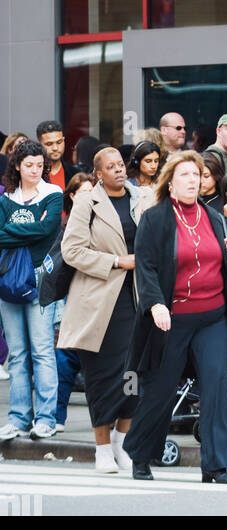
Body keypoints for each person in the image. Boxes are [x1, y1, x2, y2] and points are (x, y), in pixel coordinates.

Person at [123, 151, 227, 483]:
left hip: (213, 318)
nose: (192, 180)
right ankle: (140, 454)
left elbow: (224, 264)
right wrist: (155, 304)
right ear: (170, 182)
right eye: (184, 175)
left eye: (196, 175)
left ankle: (216, 465)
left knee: (216, 386)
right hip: (171, 319)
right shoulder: (155, 219)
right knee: (161, 389)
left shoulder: (213, 217)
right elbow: (146, 266)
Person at [58, 146, 153, 472]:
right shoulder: (87, 202)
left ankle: (122, 441)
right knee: (101, 377)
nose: (118, 170)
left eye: (120, 165)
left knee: (134, 374)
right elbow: (72, 250)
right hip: (98, 301)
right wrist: (116, 261)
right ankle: (101, 447)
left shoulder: (142, 198)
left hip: (136, 298)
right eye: (110, 167)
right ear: (98, 174)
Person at [0, 138, 63, 442]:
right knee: (17, 353)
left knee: (42, 351)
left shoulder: (53, 194)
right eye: (29, 165)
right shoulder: (6, 197)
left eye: (40, 165)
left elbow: (47, 231)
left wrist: (12, 231)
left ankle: (46, 419)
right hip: (9, 280)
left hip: (40, 278)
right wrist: (29, 230)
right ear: (17, 166)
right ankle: (19, 418)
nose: (35, 170)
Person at [54, 172, 95, 431]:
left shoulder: (106, 222)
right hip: (72, 298)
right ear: (72, 196)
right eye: (84, 193)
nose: (90, 198)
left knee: (101, 365)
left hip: (100, 297)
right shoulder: (65, 227)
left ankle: (107, 420)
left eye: (93, 192)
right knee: (65, 360)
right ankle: (57, 417)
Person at [36, 120, 78, 192]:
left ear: (64, 140)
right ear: (39, 144)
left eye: (59, 142)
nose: (55, 148)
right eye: (49, 144)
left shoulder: (75, 173)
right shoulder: (33, 174)